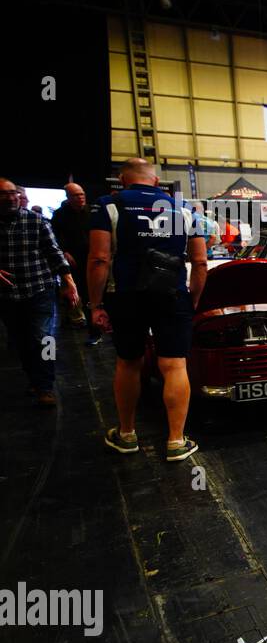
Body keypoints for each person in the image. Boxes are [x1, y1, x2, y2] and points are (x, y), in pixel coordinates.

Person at [87, 158, 207, 461]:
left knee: (129, 362)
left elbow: (99, 259)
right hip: (172, 296)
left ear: (123, 181)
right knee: (174, 365)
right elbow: (201, 262)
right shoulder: (183, 209)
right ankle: (176, 442)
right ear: (156, 182)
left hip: (126, 296)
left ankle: (126, 435)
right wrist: (192, 298)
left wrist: (95, 304)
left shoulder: (108, 206)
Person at [0, 177, 80, 406]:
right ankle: (34, 379)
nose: (10, 198)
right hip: (7, 296)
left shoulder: (37, 221)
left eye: (13, 193)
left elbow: (54, 253)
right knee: (21, 341)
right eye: (4, 194)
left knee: (45, 338)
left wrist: (67, 280)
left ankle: (46, 384)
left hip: (40, 290)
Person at [51, 183, 101, 344]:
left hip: (95, 258)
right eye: (76, 195)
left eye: (82, 194)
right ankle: (93, 331)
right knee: (84, 295)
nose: (80, 198)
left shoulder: (93, 212)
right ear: (68, 198)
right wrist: (64, 251)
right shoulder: (60, 215)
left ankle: (101, 327)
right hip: (75, 261)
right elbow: (55, 237)